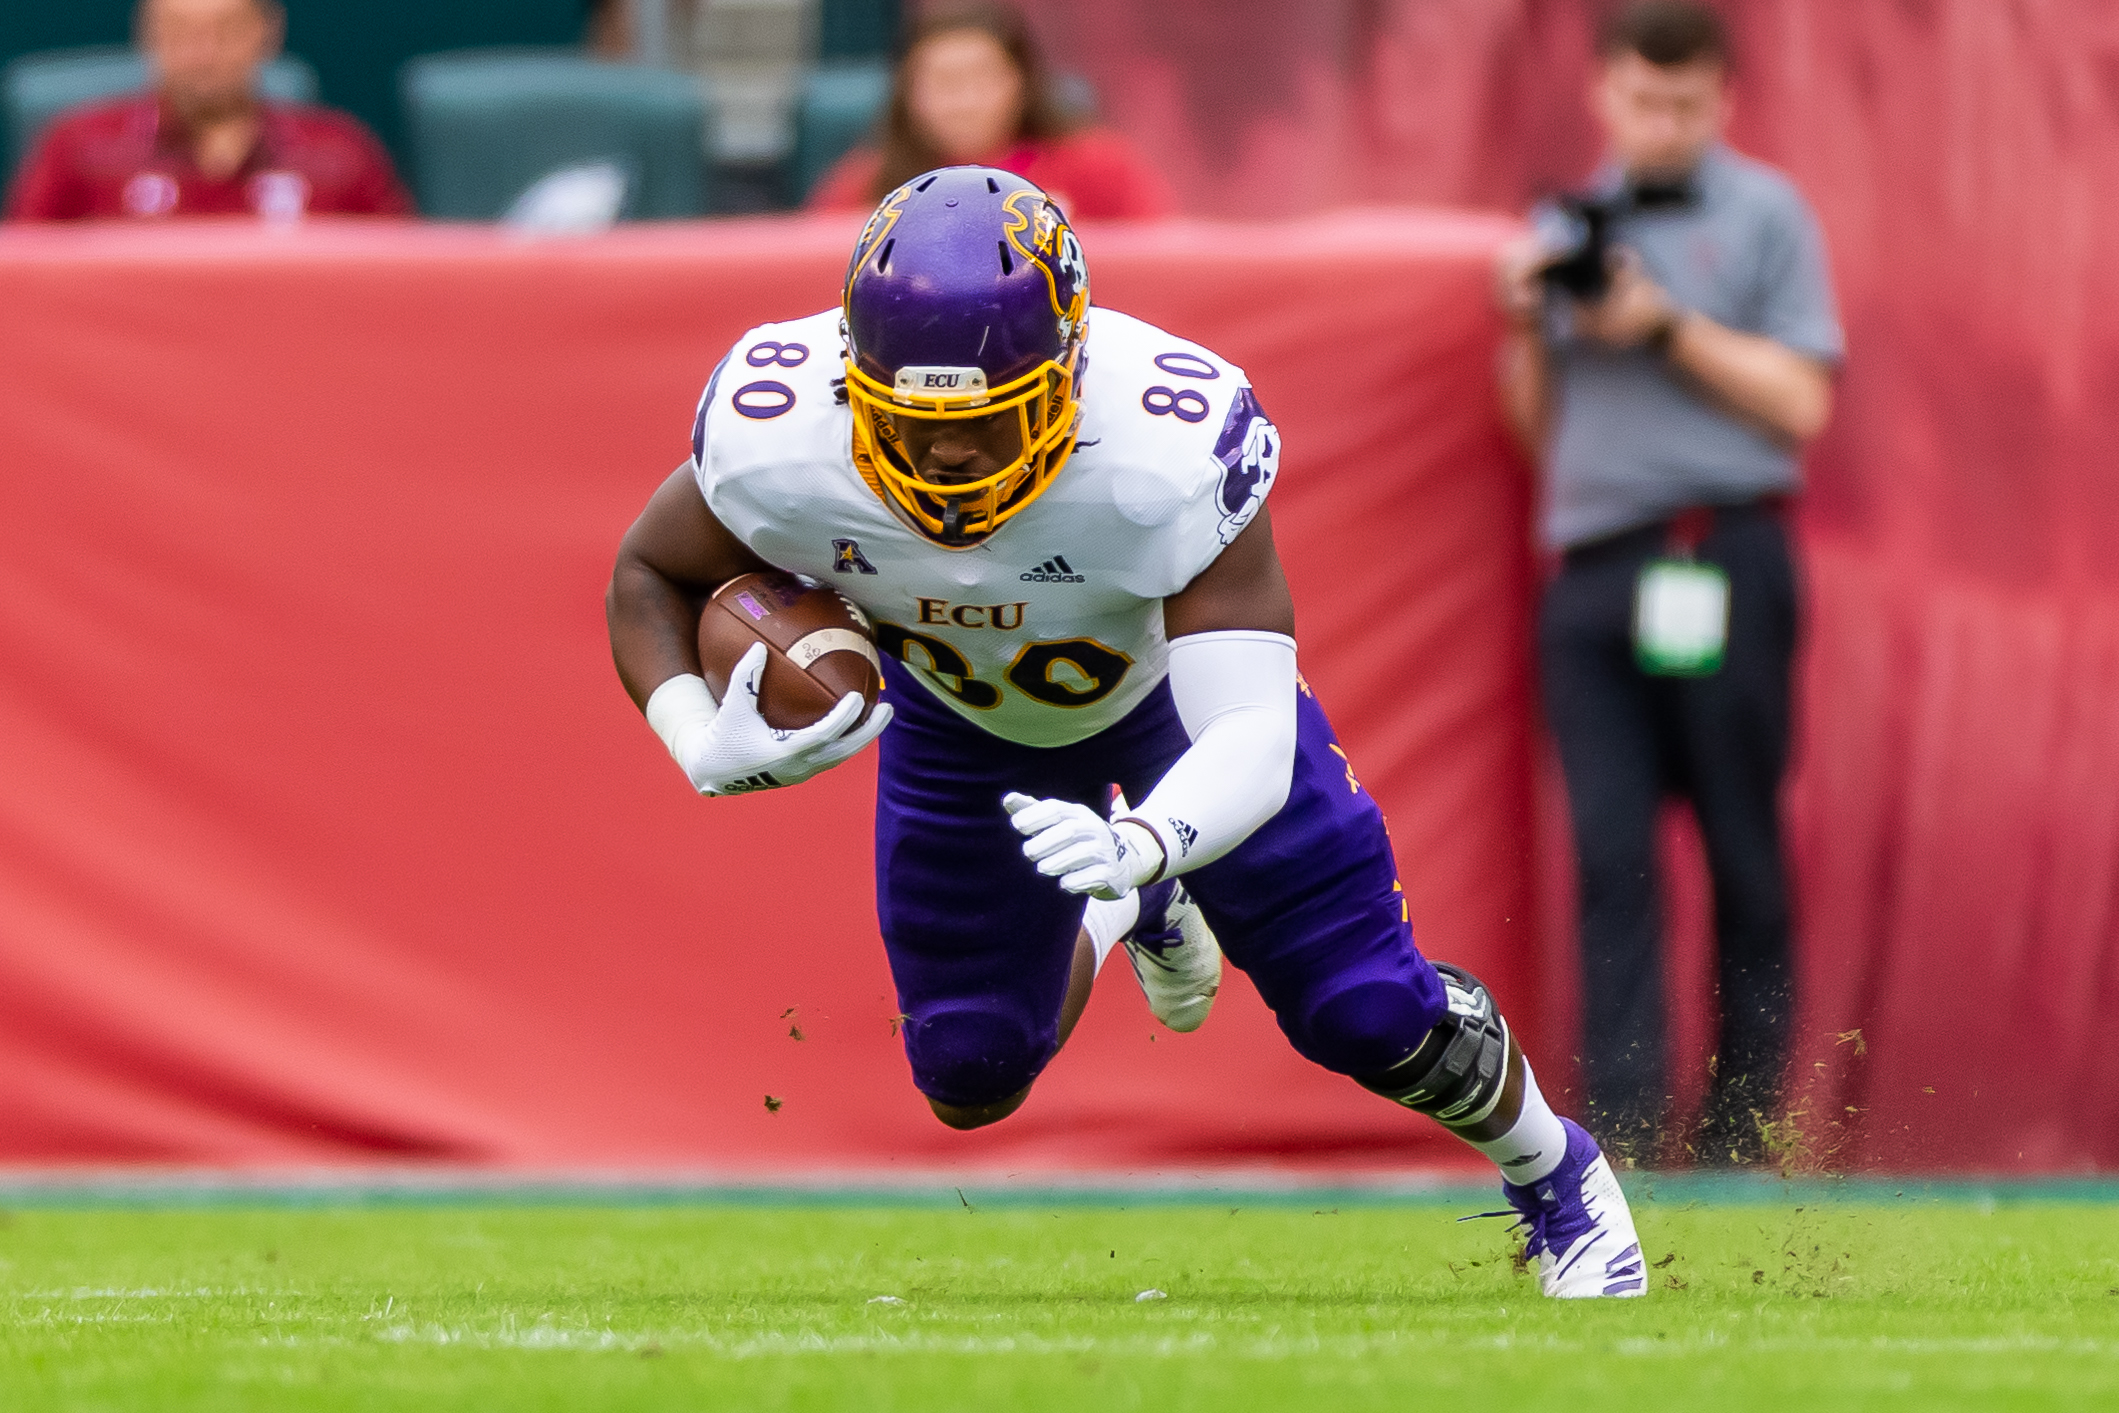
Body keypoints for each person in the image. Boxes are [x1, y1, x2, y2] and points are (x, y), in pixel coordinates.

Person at [608, 164, 1647, 1298]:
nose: (948, 461)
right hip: (962, 729)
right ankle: (1129, 913)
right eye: (914, 423)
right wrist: (692, 736)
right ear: (856, 383)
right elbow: (654, 570)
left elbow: (1250, 724)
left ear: (1067, 375)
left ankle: (1559, 1181)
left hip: (1172, 718)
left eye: (986, 423)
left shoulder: (1165, 450)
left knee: (1364, 1011)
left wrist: (1154, 835)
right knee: (968, 1073)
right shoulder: (775, 437)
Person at [1492, 2, 1842, 1165]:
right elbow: (1538, 433)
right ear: (1602, 93)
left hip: (1720, 554)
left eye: (1685, 105)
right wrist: (1523, 322)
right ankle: (1630, 1138)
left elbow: (1801, 403)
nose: (1662, 124)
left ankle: (1742, 1135)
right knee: (1609, 858)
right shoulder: (1564, 225)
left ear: (1723, 102)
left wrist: (1661, 328)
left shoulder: (1769, 213)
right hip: (1594, 571)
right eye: (1644, 101)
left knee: (1742, 848)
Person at [6, 0, 411, 223]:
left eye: (226, 32)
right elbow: (23, 280)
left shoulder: (341, 153)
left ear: (268, 33)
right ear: (147, 35)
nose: (203, 54)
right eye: (181, 33)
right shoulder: (80, 147)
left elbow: (400, 284)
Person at [806, 3, 1172, 220]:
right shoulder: (866, 187)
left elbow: (1158, 262)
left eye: (981, 79)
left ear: (1021, 82)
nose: (964, 102)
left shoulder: (1101, 168)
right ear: (908, 94)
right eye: (943, 82)